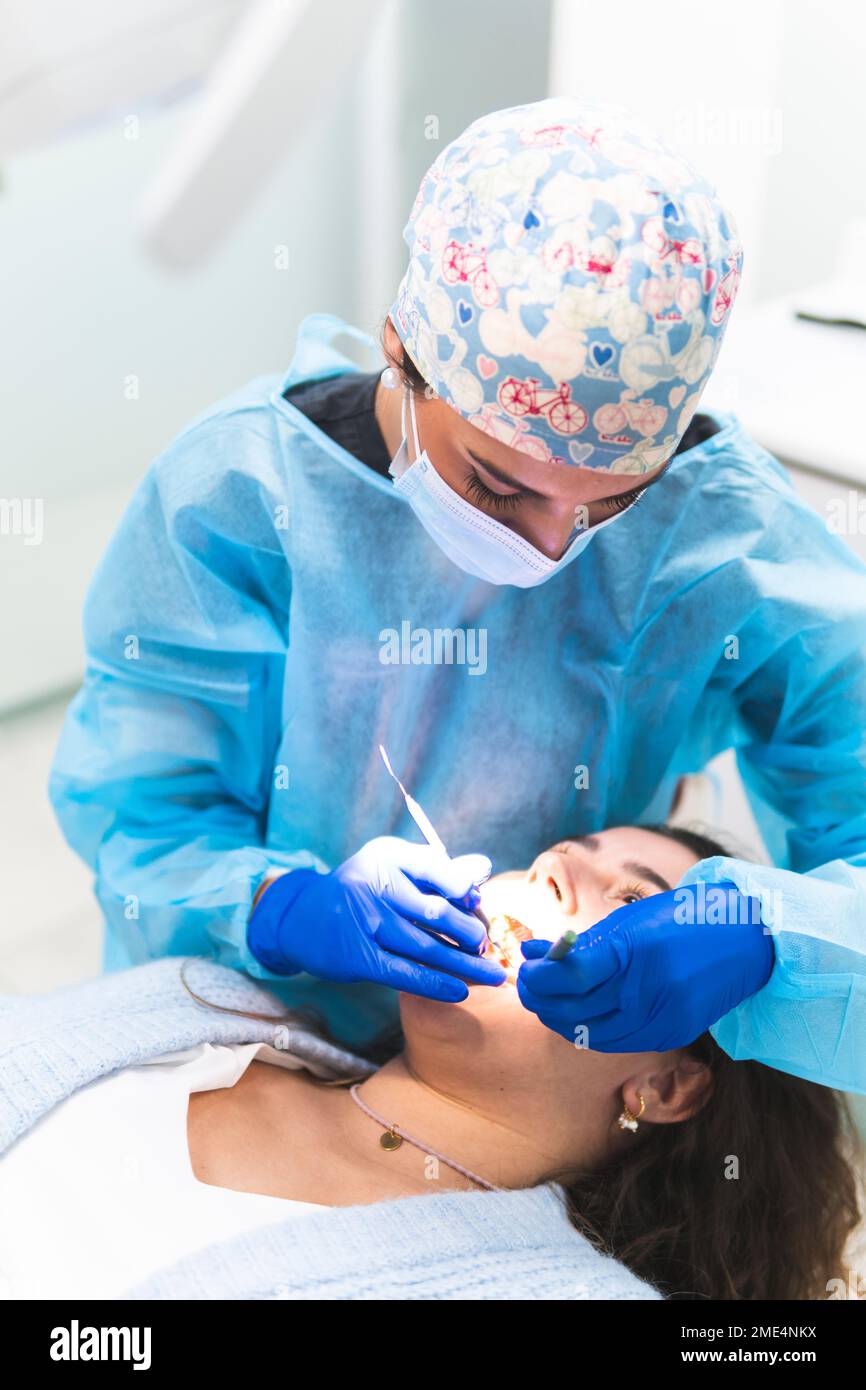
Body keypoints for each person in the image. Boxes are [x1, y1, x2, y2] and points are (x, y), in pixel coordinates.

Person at [49, 98, 866, 1087]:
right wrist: (274, 906)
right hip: (228, 1042)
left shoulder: (727, 544)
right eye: (500, 485)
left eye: (611, 503)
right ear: (400, 349)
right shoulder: (238, 501)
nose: (553, 547)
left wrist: (779, 938)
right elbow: (143, 819)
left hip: (524, 1080)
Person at [2, 826, 862, 1300]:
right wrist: (276, 901)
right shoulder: (195, 1006)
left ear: (668, 1085)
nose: (557, 864)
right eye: (569, 848)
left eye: (632, 902)